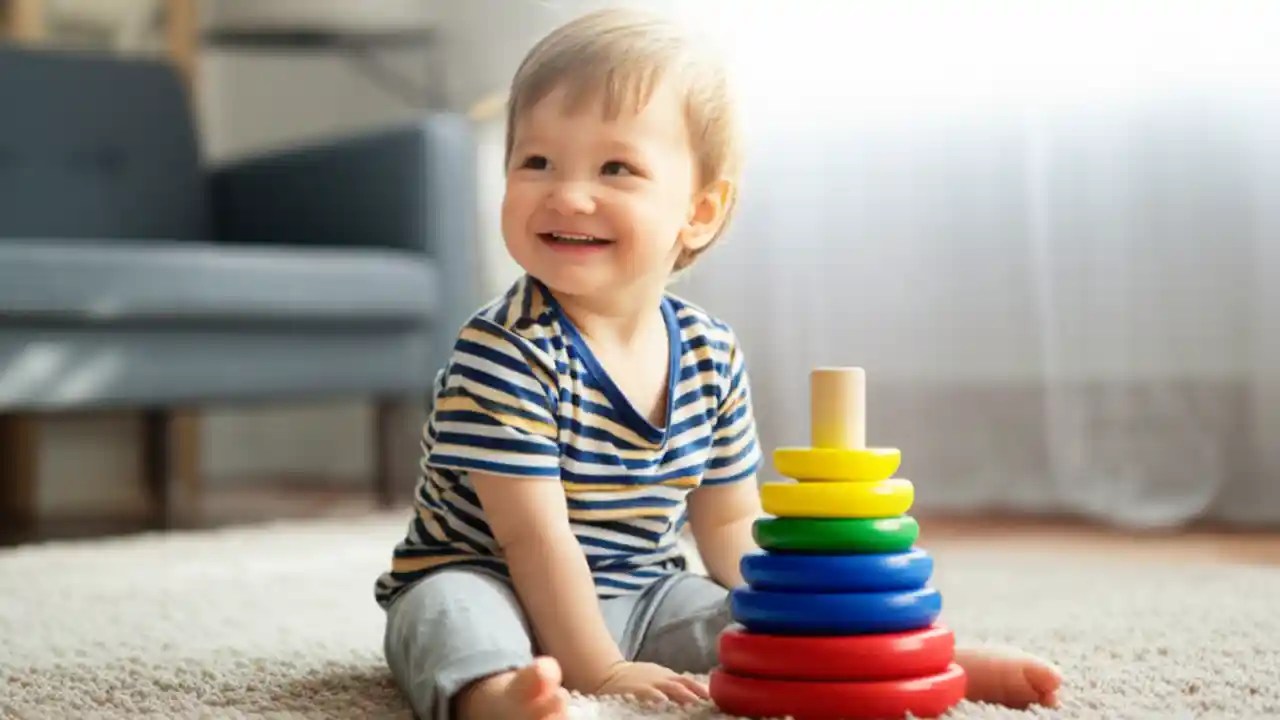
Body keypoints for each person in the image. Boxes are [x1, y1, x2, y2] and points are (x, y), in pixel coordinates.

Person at [374, 8, 1063, 720]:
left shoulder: (708, 352)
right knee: (449, 619)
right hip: (495, 579)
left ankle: (914, 664)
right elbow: (533, 537)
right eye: (536, 161)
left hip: (646, 593)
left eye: (616, 168)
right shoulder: (504, 350)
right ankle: (496, 698)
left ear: (699, 212)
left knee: (748, 616)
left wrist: (795, 616)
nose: (567, 193)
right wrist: (598, 670)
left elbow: (731, 521)